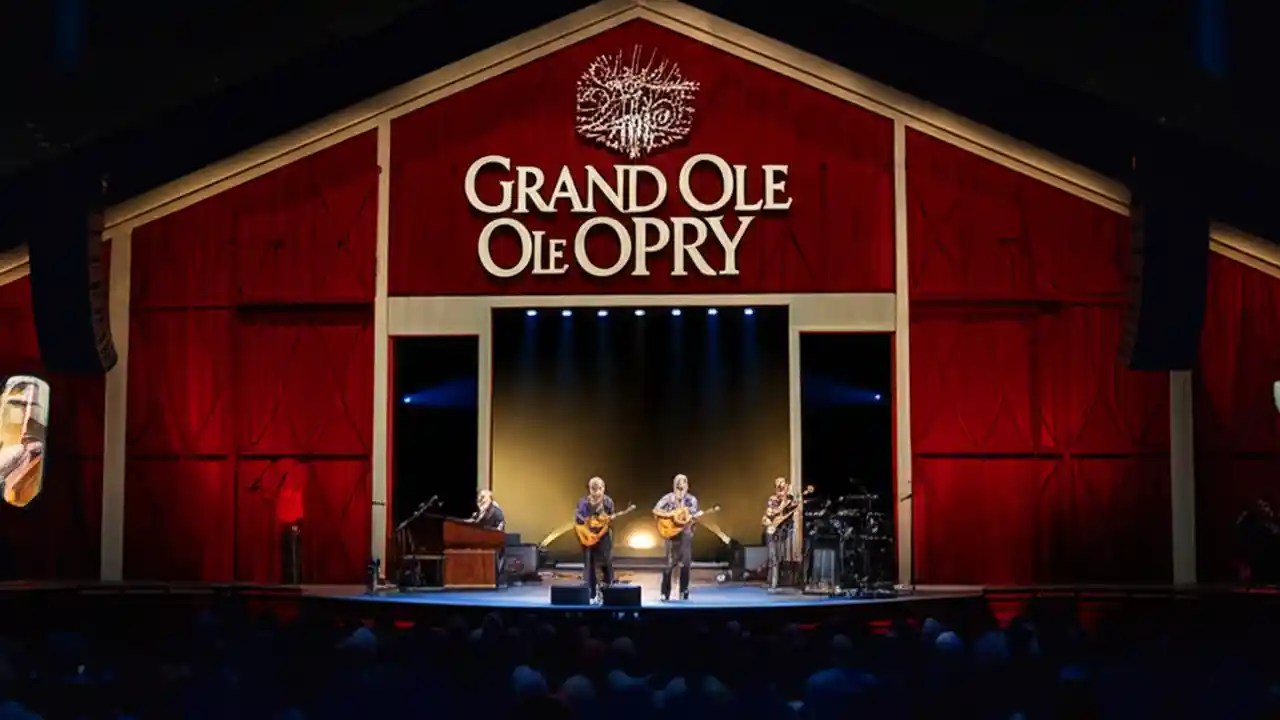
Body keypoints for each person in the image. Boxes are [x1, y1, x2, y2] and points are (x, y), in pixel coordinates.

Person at [653, 474, 699, 601]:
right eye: (678, 484)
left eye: (683, 484)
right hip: (671, 534)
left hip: (685, 534)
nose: (681, 487)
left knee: (685, 564)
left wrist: (690, 517)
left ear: (687, 486)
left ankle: (684, 592)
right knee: (669, 564)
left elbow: (693, 515)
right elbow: (656, 510)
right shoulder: (668, 498)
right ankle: (665, 592)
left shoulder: (691, 500)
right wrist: (670, 514)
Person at [575, 477, 615, 604]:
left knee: (606, 562)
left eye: (600, 489)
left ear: (603, 489)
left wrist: (599, 534)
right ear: (590, 489)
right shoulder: (583, 503)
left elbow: (609, 523)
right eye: (594, 489)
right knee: (590, 565)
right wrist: (589, 535)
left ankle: (607, 591)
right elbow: (578, 522)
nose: (597, 493)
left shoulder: (608, 502)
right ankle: (592, 594)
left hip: (603, 536)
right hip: (588, 537)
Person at [761, 477, 798, 591]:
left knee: (778, 557)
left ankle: (775, 581)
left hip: (783, 533)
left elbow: (792, 514)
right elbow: (771, 512)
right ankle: (773, 583)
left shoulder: (791, 501)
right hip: (772, 531)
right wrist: (782, 504)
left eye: (783, 485)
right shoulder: (773, 499)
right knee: (773, 557)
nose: (780, 487)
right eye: (778, 485)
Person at [470, 490, 505, 587]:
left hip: (493, 540)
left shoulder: (496, 510)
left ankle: (494, 580)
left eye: (483, 497)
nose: (481, 499)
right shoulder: (480, 508)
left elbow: (500, 525)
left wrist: (495, 533)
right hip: (481, 539)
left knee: (495, 561)